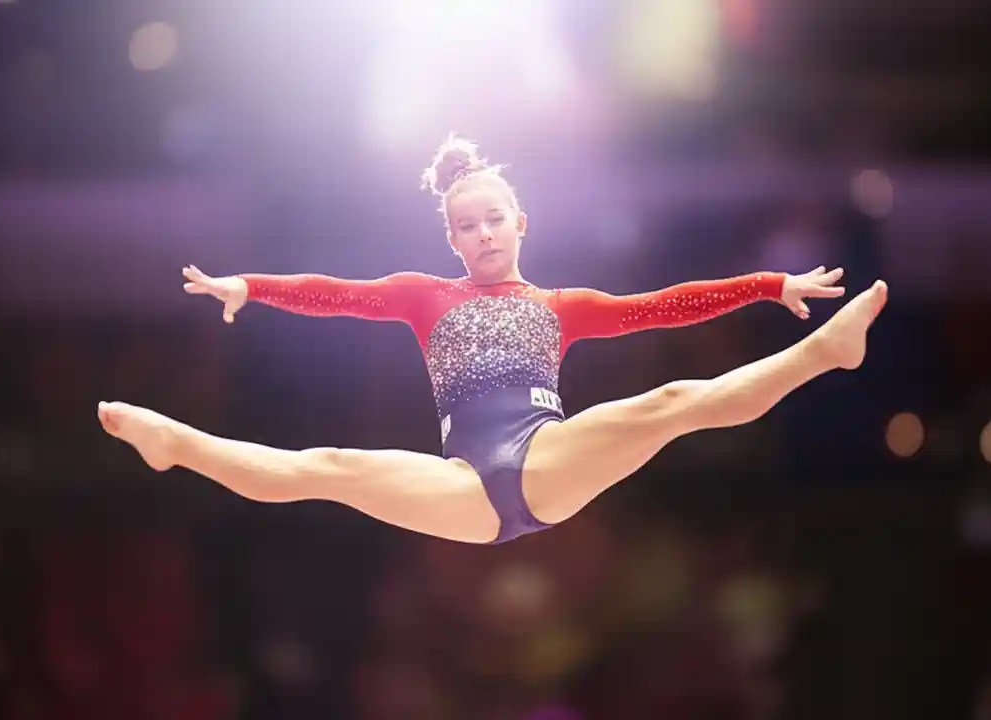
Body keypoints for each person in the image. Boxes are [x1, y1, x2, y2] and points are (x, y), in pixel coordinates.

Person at [98, 136, 888, 545]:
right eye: (465, 226)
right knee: (327, 469)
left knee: (672, 402)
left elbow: (664, 307)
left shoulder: (560, 305)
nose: (482, 234)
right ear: (452, 239)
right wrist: (251, 288)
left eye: (494, 219)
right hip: (464, 490)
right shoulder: (423, 297)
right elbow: (334, 295)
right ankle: (178, 446)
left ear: (520, 223)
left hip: (546, 461)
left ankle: (825, 353)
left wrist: (770, 286)